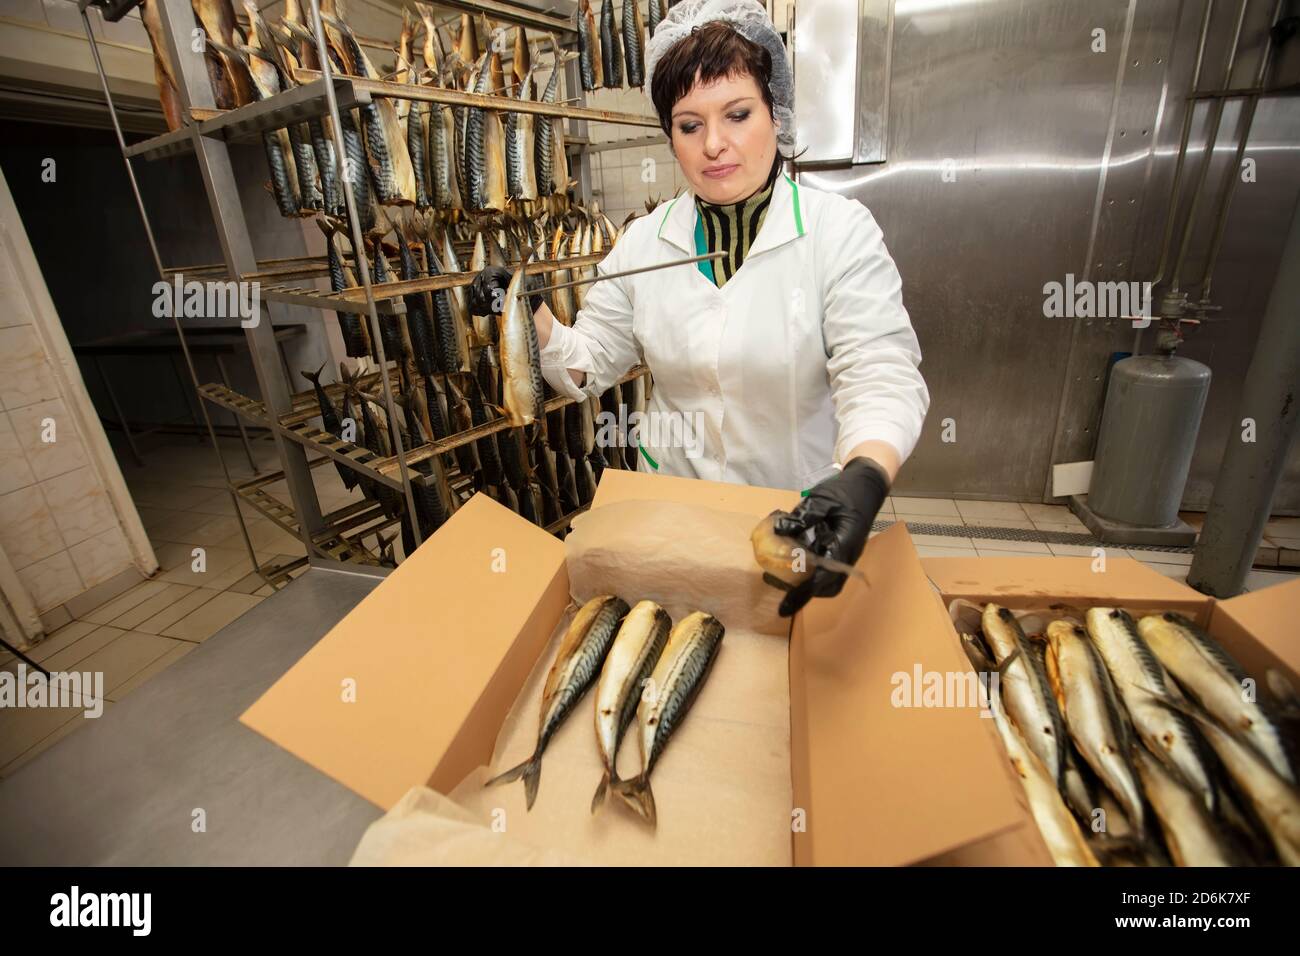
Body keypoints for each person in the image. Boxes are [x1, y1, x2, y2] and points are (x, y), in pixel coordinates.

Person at [469, 0, 929, 615]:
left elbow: (880, 368)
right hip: (674, 513)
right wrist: (529, 315)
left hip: (795, 514)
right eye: (689, 125)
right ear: (671, 137)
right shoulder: (643, 241)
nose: (715, 144)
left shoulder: (838, 231)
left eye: (738, 114)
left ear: (776, 113)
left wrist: (866, 474)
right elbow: (587, 365)